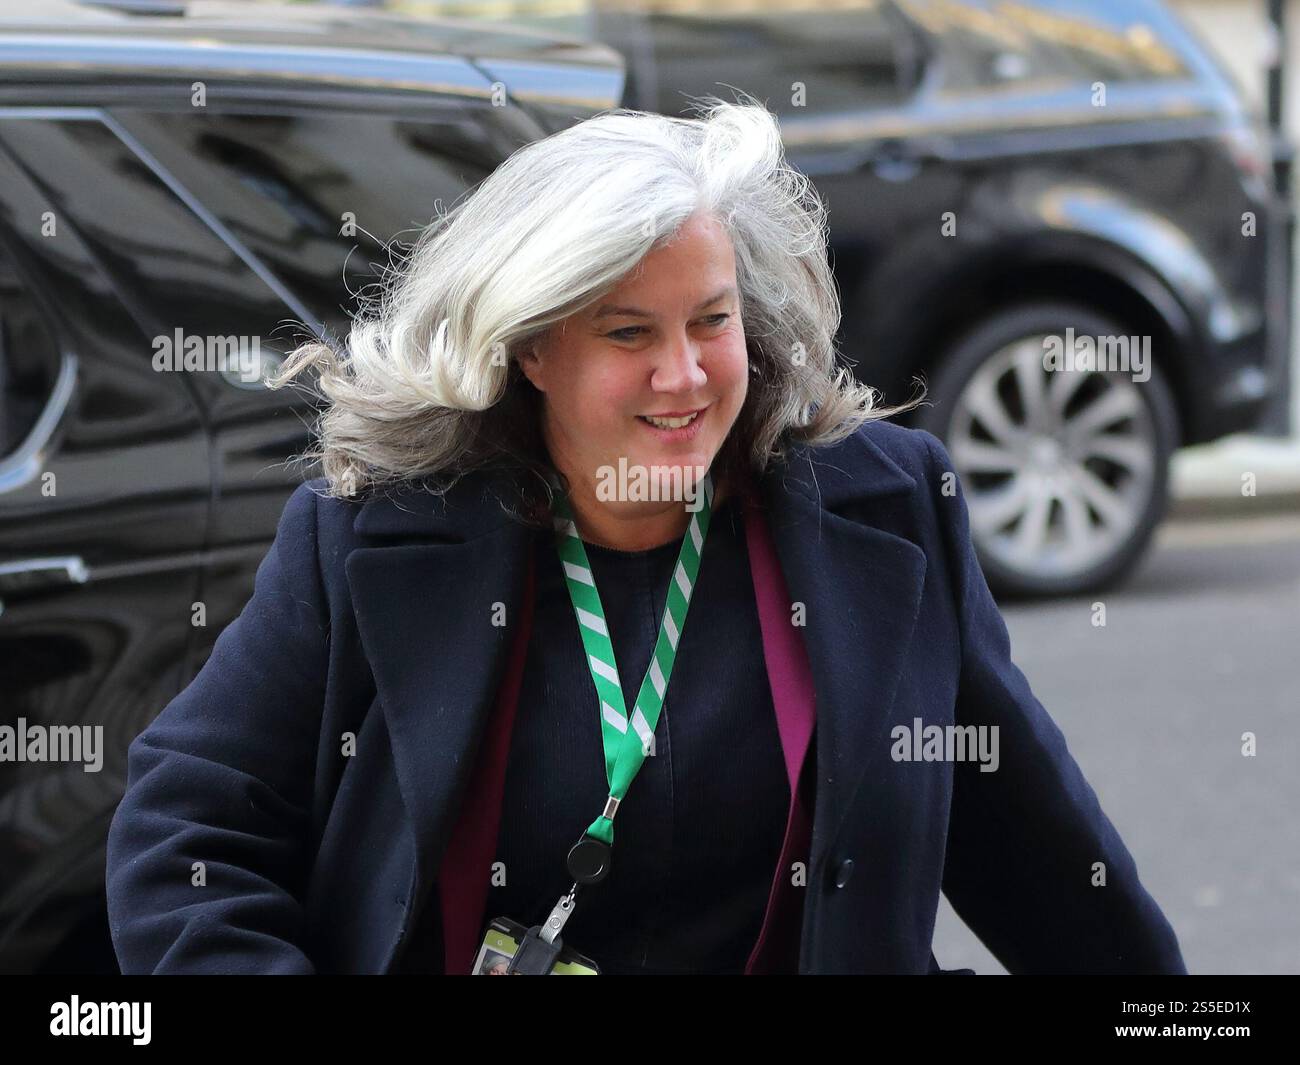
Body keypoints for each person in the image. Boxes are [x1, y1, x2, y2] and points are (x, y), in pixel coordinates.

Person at [104, 97, 1187, 975]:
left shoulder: (887, 508)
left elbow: (1038, 849)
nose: (685, 375)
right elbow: (185, 836)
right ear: (527, 350)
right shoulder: (373, 534)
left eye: (710, 321)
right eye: (629, 333)